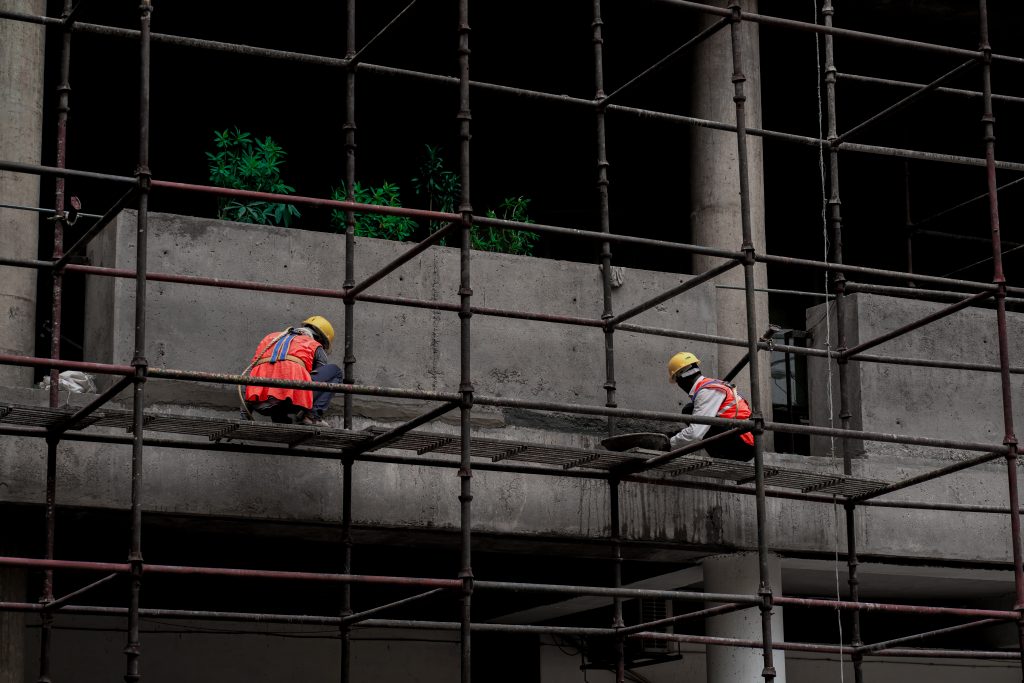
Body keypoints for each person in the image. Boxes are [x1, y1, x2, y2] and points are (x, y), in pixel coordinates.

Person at [242, 315, 342, 426]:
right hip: (290, 401)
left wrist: (245, 413)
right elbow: (319, 377)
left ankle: (280, 418)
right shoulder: (315, 345)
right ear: (320, 339)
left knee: (278, 376)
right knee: (335, 371)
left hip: (258, 403)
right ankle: (312, 416)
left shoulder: (270, 338)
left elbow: (252, 374)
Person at [665, 351, 755, 462]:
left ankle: (721, 457)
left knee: (689, 412)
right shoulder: (711, 385)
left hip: (742, 445)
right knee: (690, 411)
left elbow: (695, 434)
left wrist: (668, 444)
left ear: (681, 380)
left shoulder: (707, 391)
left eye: (677, 381)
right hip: (741, 438)